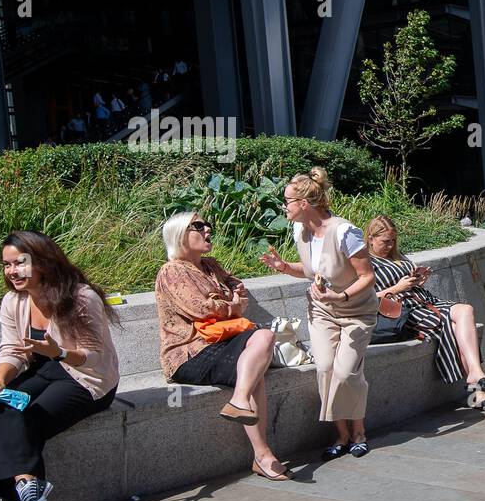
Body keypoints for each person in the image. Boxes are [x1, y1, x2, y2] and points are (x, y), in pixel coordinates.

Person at [0, 232, 119, 501]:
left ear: (42, 263)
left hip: (88, 378)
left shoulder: (81, 298)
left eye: (19, 263)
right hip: (45, 370)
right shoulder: (14, 301)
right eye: (6, 265)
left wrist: (59, 352)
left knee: (21, 420)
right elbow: (13, 350)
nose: (12, 271)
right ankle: (28, 488)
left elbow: (94, 356)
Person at [155, 212, 290, 481]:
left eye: (208, 224)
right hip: (190, 352)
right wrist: (233, 304)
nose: (208, 229)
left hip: (221, 343)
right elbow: (201, 309)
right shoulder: (172, 271)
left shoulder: (211, 265)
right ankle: (262, 455)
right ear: (180, 234)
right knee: (256, 364)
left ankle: (244, 413)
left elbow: (236, 285)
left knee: (259, 349)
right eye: (199, 226)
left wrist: (230, 293)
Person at [260, 168, 379, 459]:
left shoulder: (343, 231)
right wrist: (285, 267)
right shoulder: (299, 231)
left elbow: (367, 275)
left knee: (346, 372)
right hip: (322, 310)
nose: (283, 206)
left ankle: (359, 432)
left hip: (356, 310)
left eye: (287, 200)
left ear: (303, 204)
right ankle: (341, 435)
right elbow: (314, 271)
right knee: (325, 369)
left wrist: (341, 294)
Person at [364, 215, 485, 414]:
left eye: (393, 240)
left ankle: (475, 376)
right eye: (385, 241)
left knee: (466, 310)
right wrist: (398, 287)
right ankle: (478, 390)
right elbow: (365, 298)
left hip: (426, 301)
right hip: (407, 312)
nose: (390, 245)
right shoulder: (365, 263)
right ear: (371, 238)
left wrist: (418, 279)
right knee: (456, 326)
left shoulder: (396, 255)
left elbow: (408, 279)